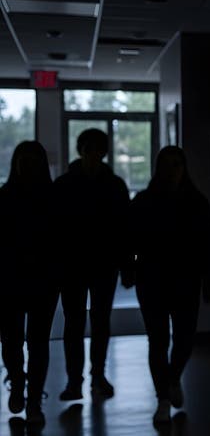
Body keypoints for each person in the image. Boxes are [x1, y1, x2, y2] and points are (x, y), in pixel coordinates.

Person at [129, 146, 210, 424]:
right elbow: (130, 238)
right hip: (153, 280)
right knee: (158, 340)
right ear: (159, 168)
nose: (172, 170)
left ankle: (171, 379)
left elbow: (208, 244)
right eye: (168, 165)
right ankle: (164, 397)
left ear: (184, 168)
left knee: (184, 339)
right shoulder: (144, 201)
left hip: (185, 280)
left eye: (177, 165)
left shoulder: (197, 203)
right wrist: (129, 268)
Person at [54, 128, 131, 401]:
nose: (93, 155)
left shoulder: (63, 185)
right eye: (92, 149)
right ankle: (96, 377)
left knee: (75, 324)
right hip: (102, 265)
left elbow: (55, 230)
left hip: (73, 266)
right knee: (98, 322)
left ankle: (76, 381)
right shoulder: (115, 186)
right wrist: (127, 266)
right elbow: (125, 231)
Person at [0, 141, 59, 425]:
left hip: (15, 281)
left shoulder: (5, 196)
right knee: (35, 344)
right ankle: (32, 399)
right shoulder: (53, 198)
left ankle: (23, 387)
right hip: (40, 281)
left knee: (17, 342)